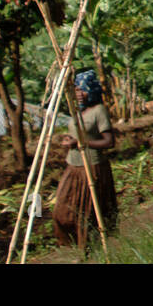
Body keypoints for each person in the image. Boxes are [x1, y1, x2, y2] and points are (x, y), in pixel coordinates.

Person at [52, 69, 118, 249]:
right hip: (73, 167)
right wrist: (68, 140)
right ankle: (73, 245)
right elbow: (77, 134)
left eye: (83, 90)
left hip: (92, 167)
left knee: (87, 214)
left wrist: (81, 142)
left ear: (92, 90)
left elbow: (109, 141)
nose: (79, 95)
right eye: (77, 90)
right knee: (61, 212)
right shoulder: (77, 112)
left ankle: (88, 251)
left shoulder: (99, 111)